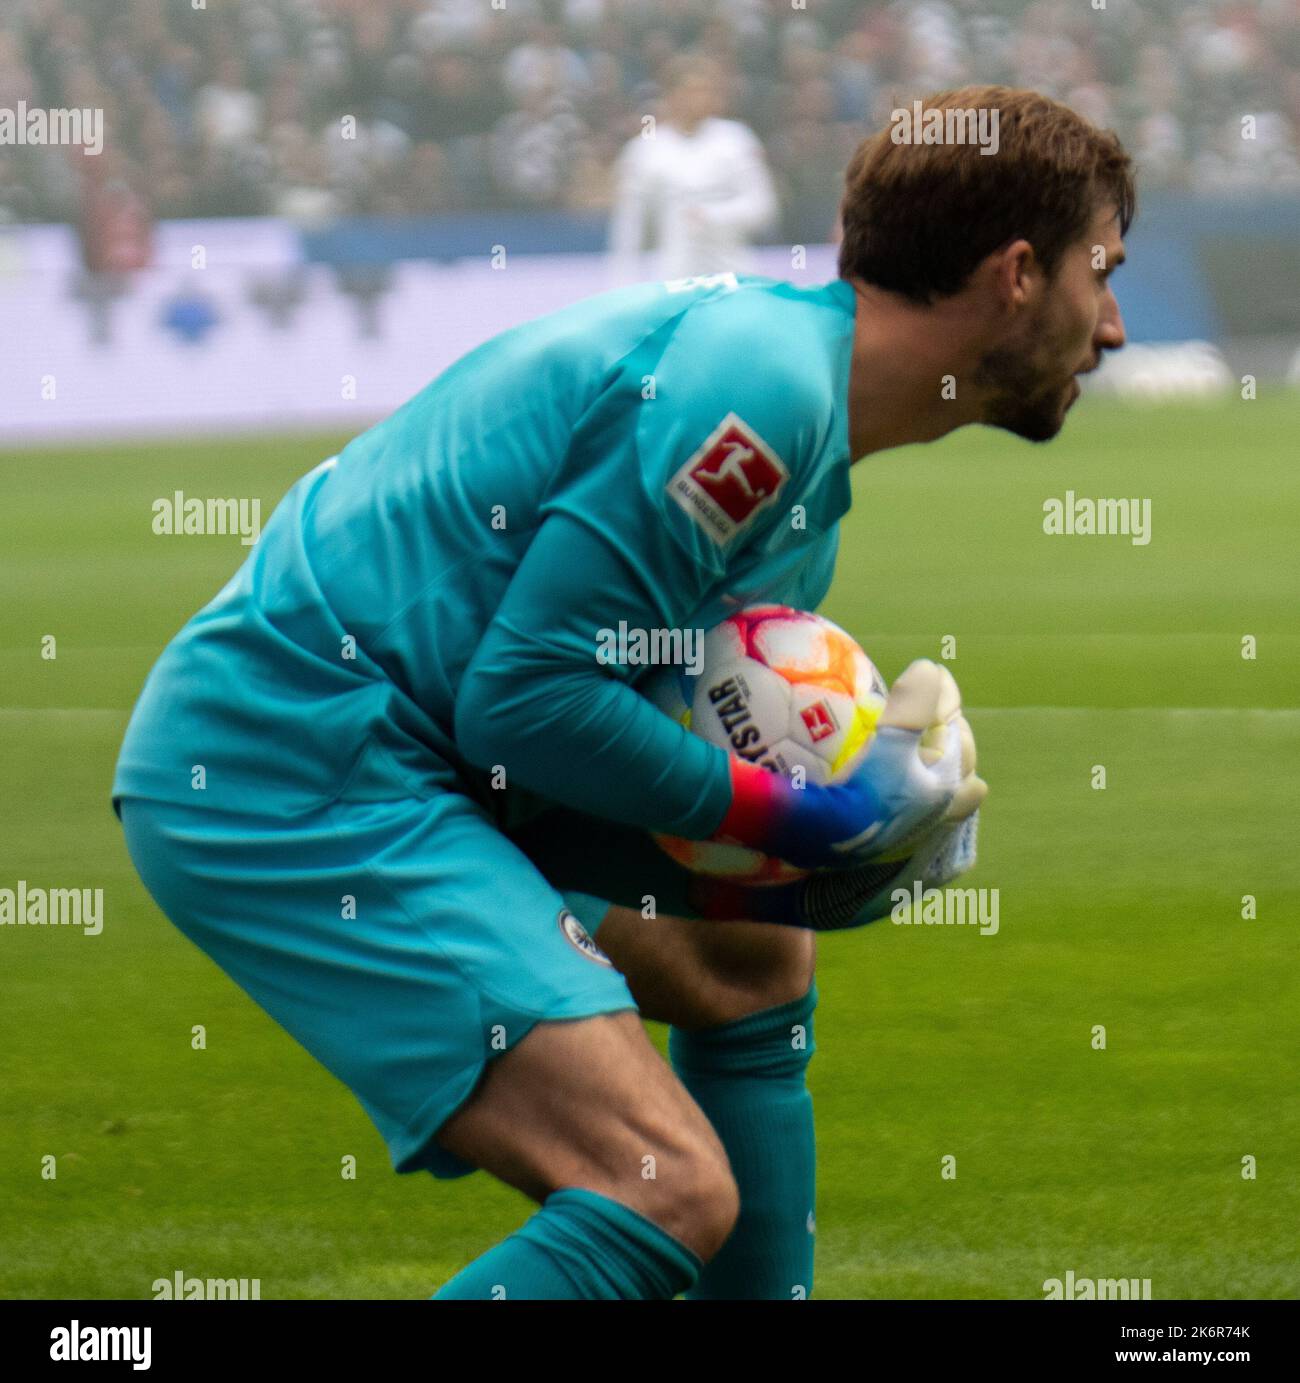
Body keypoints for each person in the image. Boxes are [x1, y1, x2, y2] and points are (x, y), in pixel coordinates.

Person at [114, 86, 1131, 1300]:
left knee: (751, 954)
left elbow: (586, 760)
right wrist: (786, 817)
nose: (1112, 325)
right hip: (298, 761)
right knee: (661, 1184)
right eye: (1099, 272)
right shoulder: (756, 392)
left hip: (404, 760)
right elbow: (526, 702)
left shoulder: (796, 449)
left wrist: (821, 865)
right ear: (1016, 274)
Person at [609, 54, 779, 282]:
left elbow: (763, 208)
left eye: (708, 91)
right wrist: (622, 283)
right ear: (670, 95)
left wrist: (712, 215)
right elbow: (629, 228)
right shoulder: (644, 151)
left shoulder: (736, 139)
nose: (701, 99)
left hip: (735, 276)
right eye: (692, 91)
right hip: (672, 278)